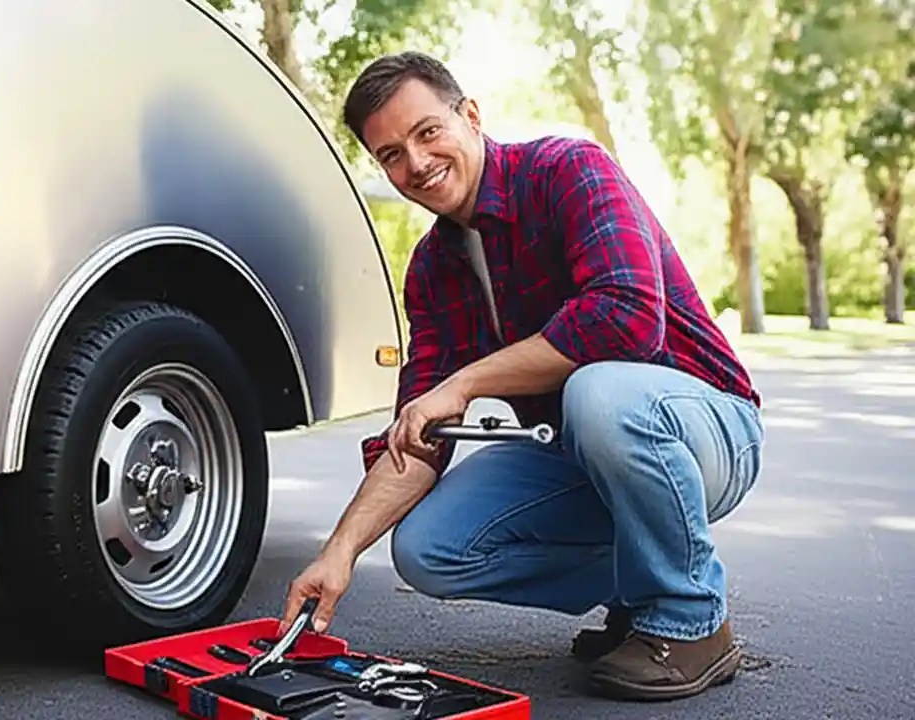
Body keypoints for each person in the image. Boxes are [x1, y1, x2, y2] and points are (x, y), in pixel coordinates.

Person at [278, 51, 765, 702]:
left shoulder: (569, 170)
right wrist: (338, 553)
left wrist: (467, 381)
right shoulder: (431, 270)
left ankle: (691, 618)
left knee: (598, 390)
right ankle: (641, 594)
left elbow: (625, 319)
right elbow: (420, 431)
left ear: (470, 115)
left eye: (427, 132)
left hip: (706, 429)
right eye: (391, 154)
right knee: (428, 547)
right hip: (583, 454)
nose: (416, 163)